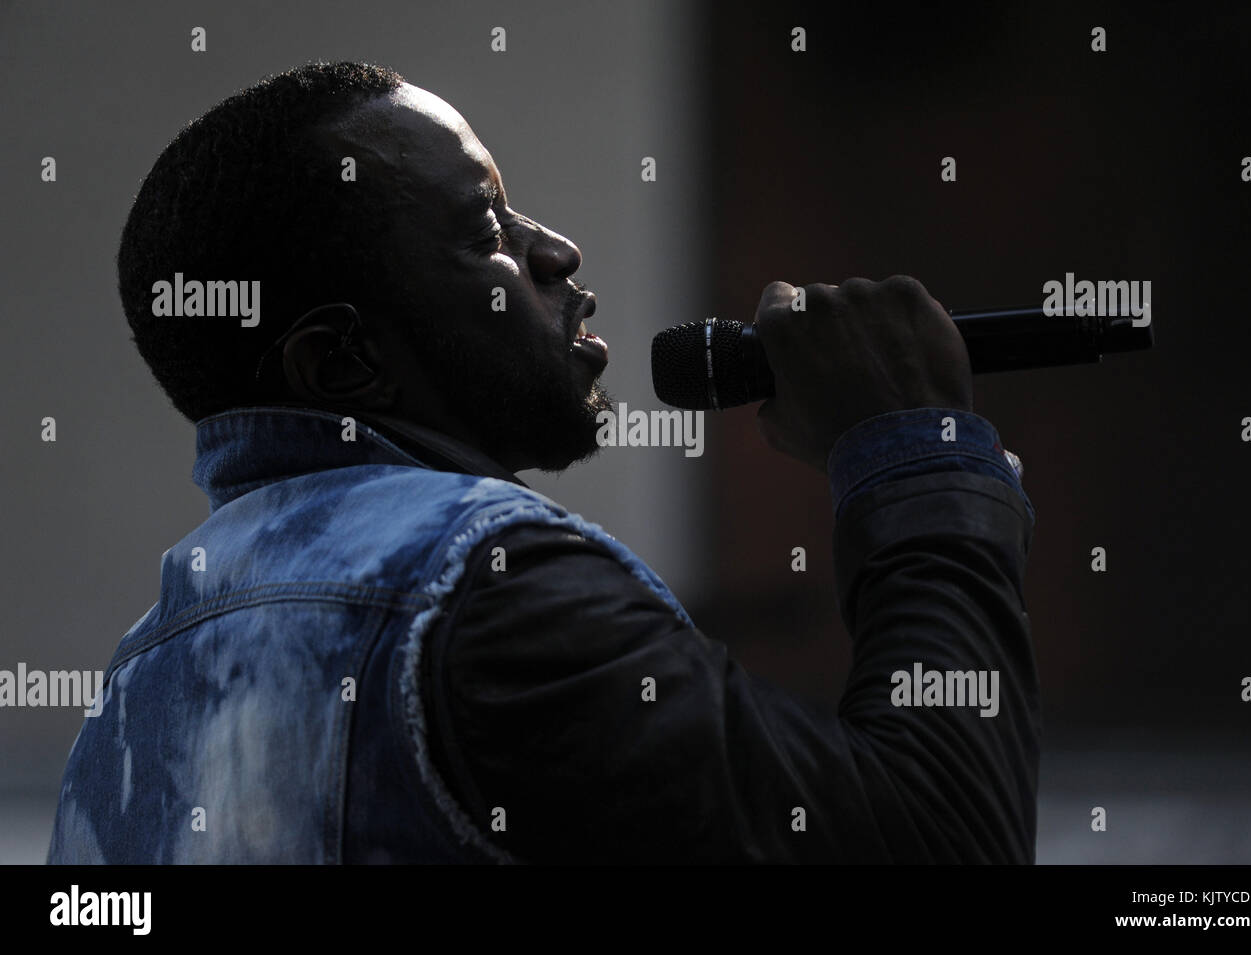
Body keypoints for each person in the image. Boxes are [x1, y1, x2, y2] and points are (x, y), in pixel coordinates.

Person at [47, 61, 1039, 864]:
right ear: (341, 361)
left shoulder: (140, 686)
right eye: (485, 228)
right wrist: (912, 445)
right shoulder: (491, 596)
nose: (556, 251)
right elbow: (940, 838)